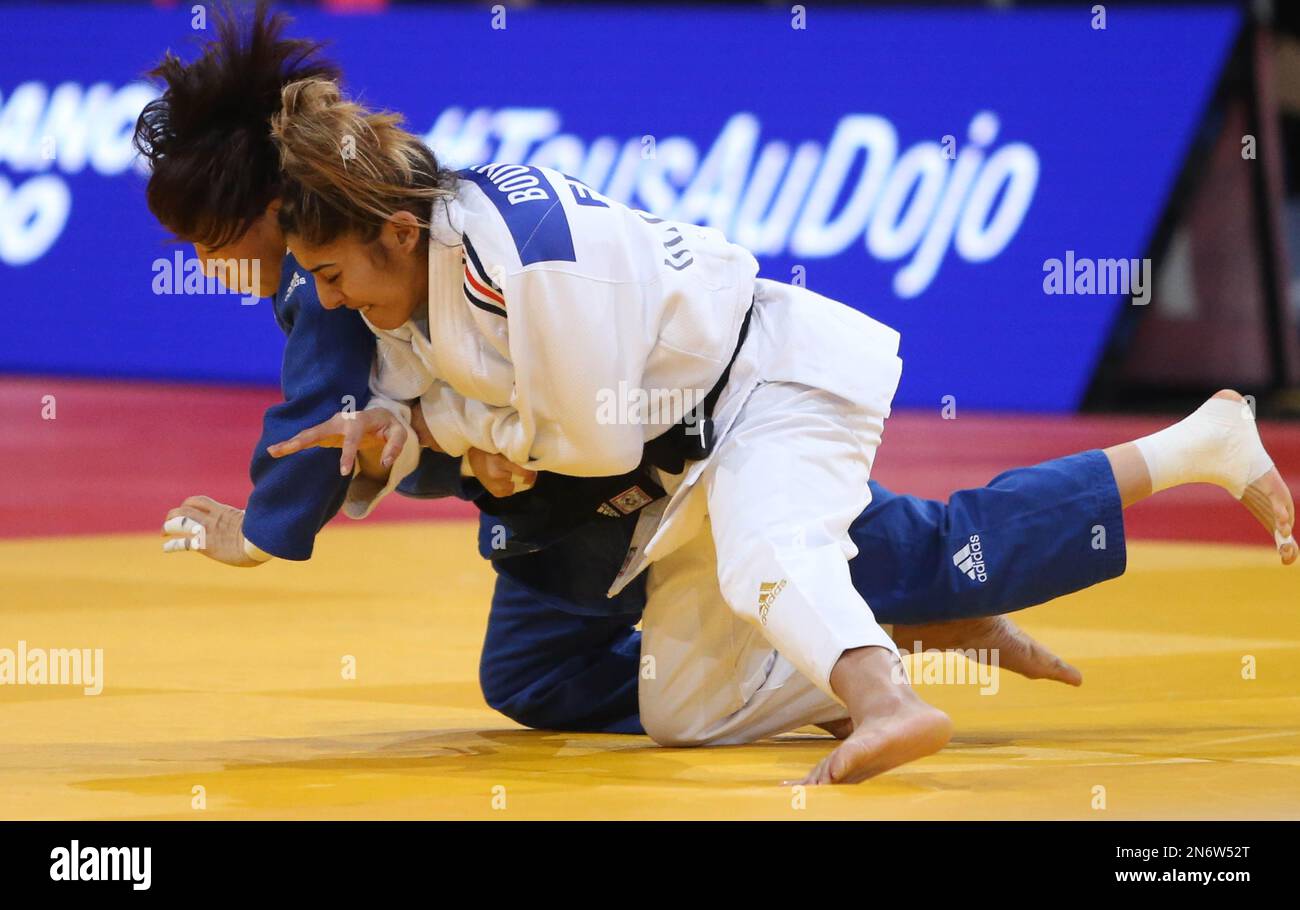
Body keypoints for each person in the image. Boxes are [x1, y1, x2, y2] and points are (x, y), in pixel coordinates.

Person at [266, 79, 1296, 783]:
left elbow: (591, 449)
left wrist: (468, 433)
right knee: (686, 716)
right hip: (678, 479)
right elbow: (437, 418)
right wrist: (398, 436)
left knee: (791, 551)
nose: (328, 299)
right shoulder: (406, 292)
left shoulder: (527, 253)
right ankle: (895, 621)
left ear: (397, 231)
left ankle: (886, 694)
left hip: (767, 384)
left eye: (332, 274)